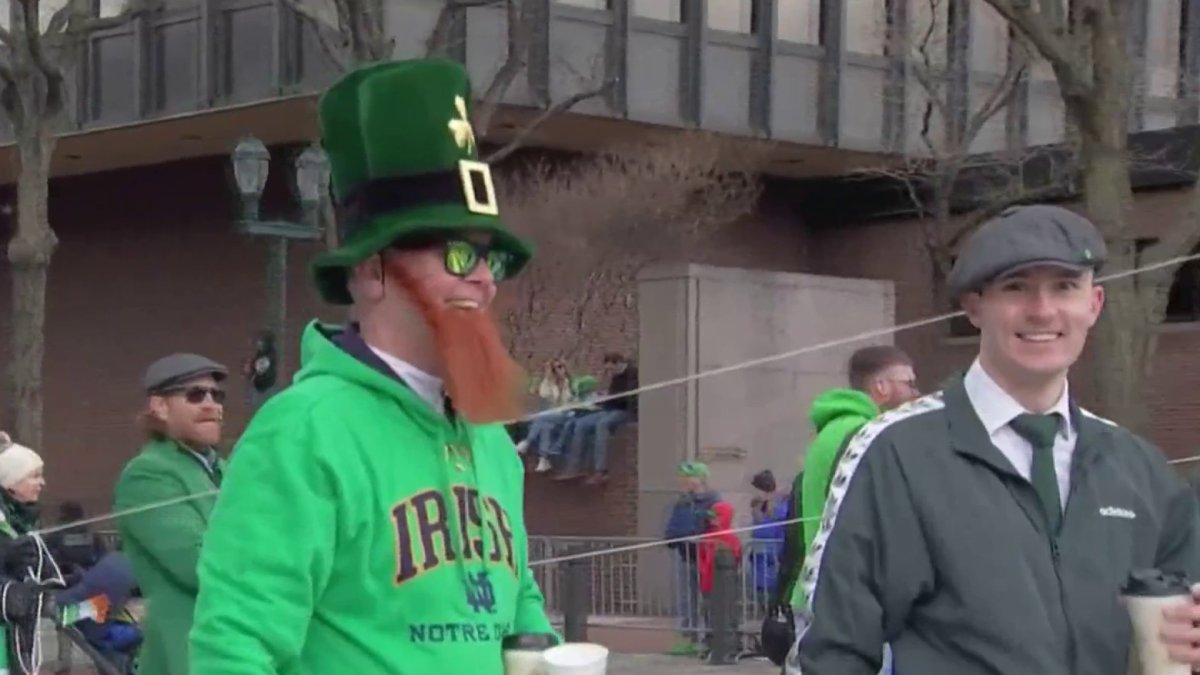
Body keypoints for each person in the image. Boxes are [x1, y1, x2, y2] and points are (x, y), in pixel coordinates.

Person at [188, 58, 556, 674]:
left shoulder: (489, 433)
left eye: (494, 260)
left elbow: (520, 611)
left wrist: (542, 652)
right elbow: (235, 648)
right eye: (460, 253)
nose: (486, 280)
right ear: (371, 270)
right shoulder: (303, 431)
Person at [789, 204, 1200, 674]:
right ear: (974, 307)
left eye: (1064, 287)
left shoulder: (1139, 468)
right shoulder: (895, 453)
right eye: (1015, 288)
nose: (1042, 310)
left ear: (1094, 305)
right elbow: (829, 652)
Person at [113, 353, 229, 675]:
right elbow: (200, 567)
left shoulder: (223, 470)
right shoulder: (148, 474)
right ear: (160, 407)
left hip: (237, 646)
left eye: (216, 395)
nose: (211, 404)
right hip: (186, 653)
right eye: (195, 395)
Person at [662, 461, 721, 656]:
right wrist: (676, 538)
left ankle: (707, 637)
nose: (684, 482)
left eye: (688, 477)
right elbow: (672, 527)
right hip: (685, 555)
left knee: (706, 599)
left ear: (700, 478)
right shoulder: (682, 502)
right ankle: (689, 637)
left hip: (705, 557)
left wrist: (700, 537)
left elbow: (716, 525)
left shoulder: (713, 501)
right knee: (687, 599)